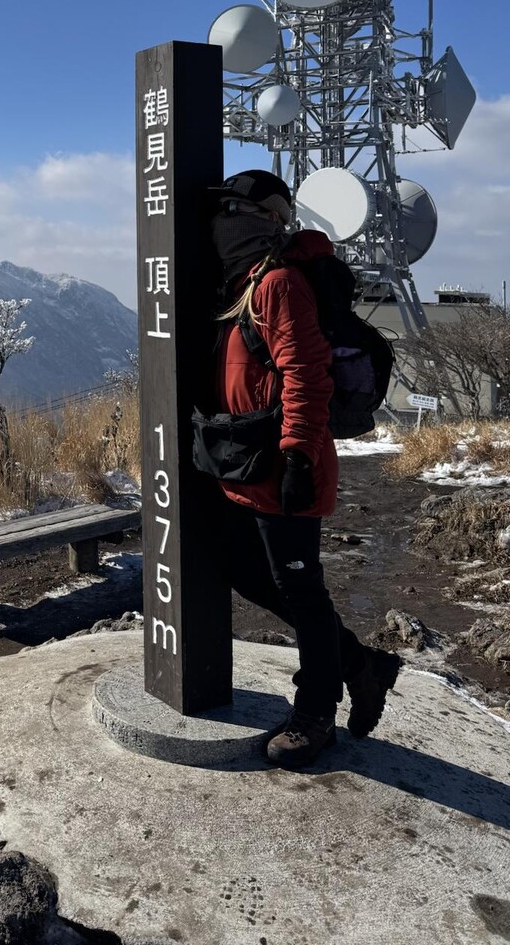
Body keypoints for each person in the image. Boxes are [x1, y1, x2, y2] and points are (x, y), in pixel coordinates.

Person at [207, 168, 400, 769]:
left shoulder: (280, 283)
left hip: (288, 463)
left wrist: (296, 456)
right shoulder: (246, 281)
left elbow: (307, 375)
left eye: (234, 211)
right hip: (249, 462)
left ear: (271, 219)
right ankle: (361, 664)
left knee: (301, 590)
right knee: (249, 573)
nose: (223, 222)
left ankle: (316, 714)